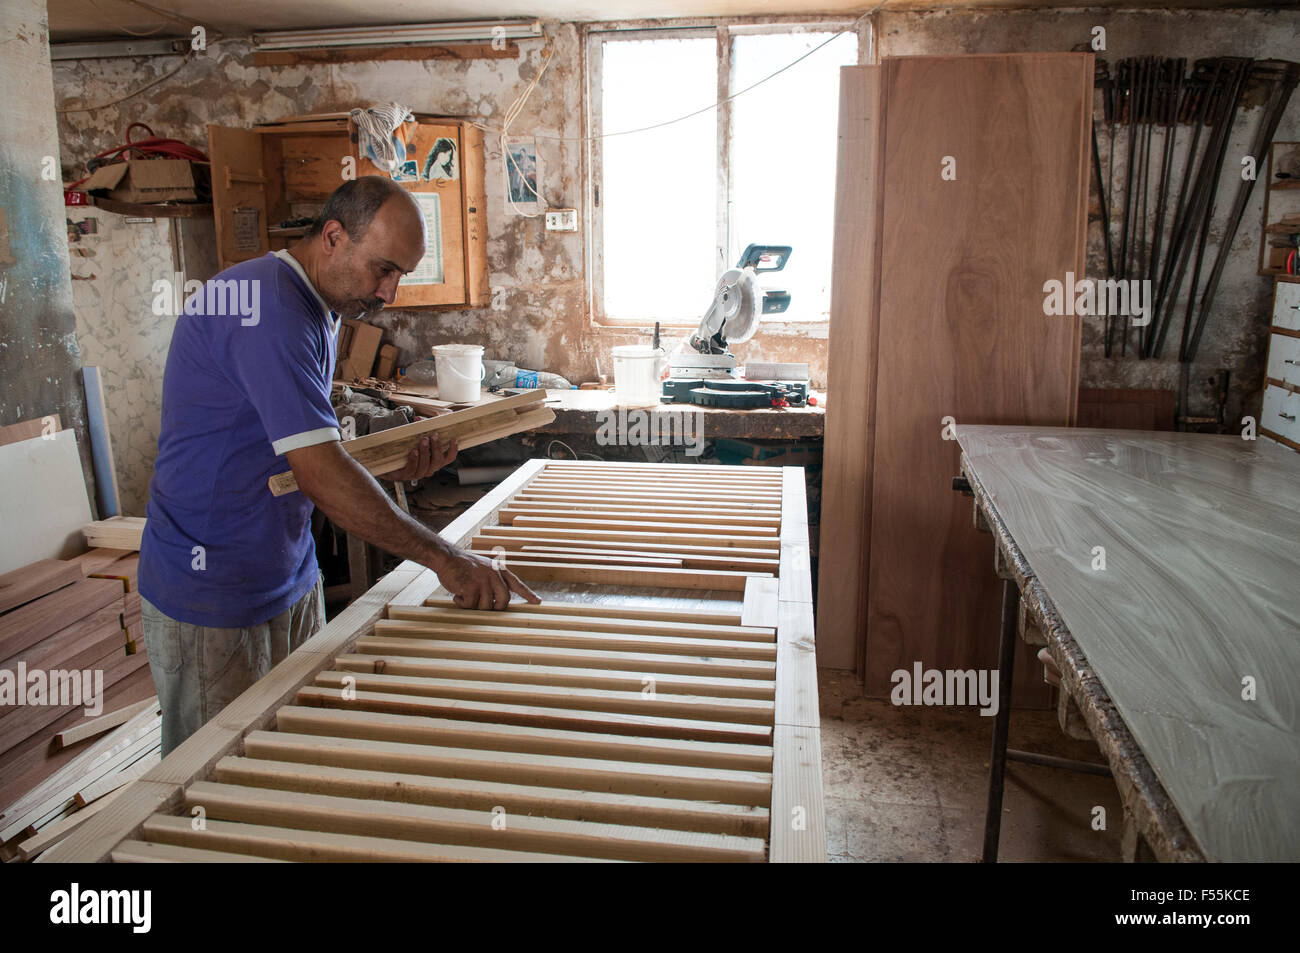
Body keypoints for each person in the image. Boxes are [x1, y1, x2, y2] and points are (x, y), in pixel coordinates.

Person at [138, 176, 538, 754]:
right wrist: (445, 559)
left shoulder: (317, 304)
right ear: (332, 236)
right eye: (383, 269)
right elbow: (319, 471)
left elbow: (299, 449)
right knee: (211, 787)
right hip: (213, 590)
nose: (390, 293)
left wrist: (388, 464)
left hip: (286, 573)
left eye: (400, 274)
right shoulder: (268, 308)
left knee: (285, 761)